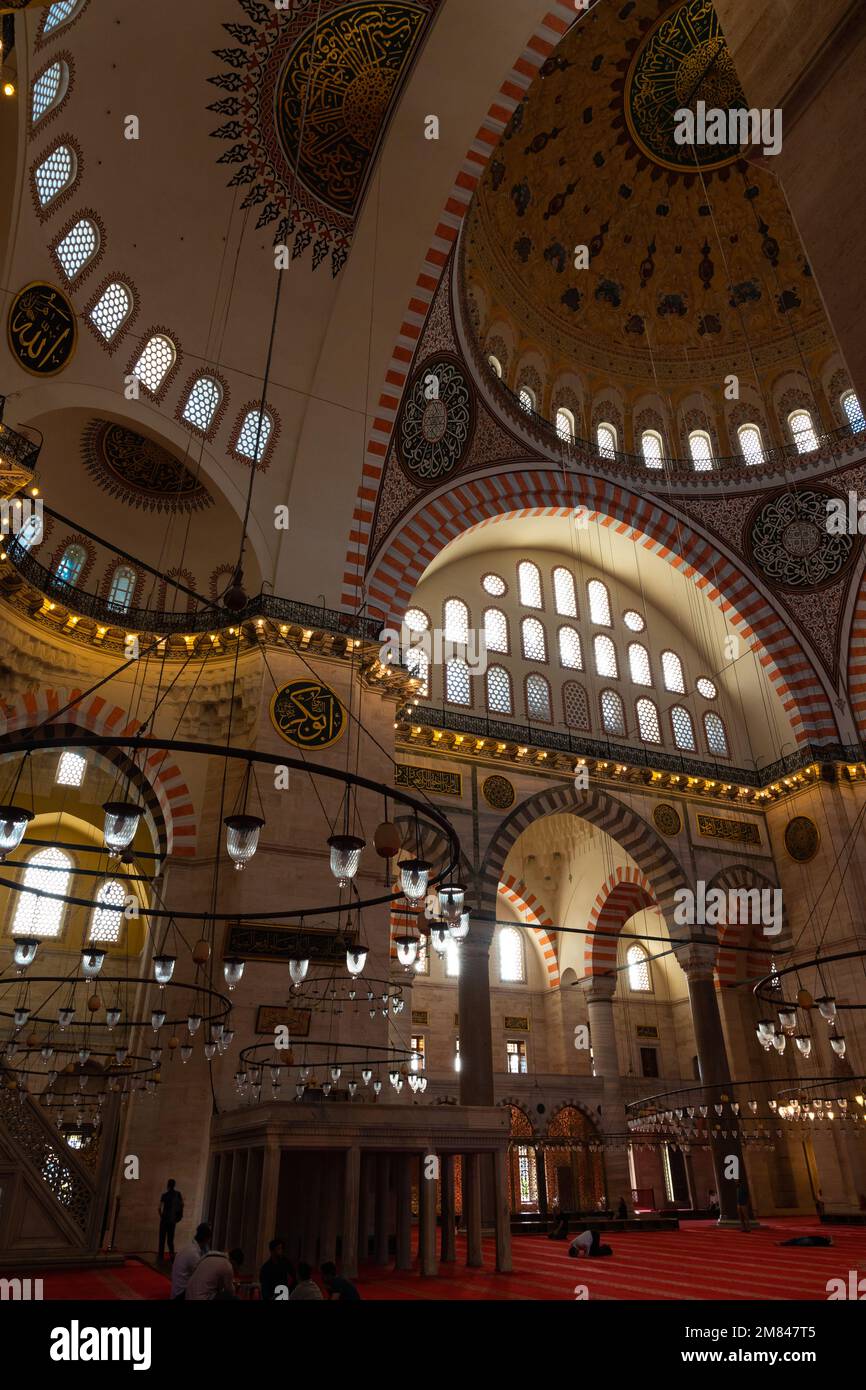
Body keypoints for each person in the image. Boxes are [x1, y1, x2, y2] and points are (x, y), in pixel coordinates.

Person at [170, 1222, 211, 1299]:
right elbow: (203, 1277)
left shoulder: (190, 1247)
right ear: (206, 1238)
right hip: (180, 1294)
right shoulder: (194, 1254)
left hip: (177, 1291)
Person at [158, 1178, 184, 1261]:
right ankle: (172, 1255)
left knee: (162, 1239)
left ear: (168, 1185)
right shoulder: (178, 1194)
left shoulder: (164, 1195)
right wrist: (177, 1217)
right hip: (172, 1220)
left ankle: (160, 1256)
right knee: (170, 1239)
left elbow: (159, 1208)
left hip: (164, 1219)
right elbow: (182, 1205)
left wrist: (162, 1216)